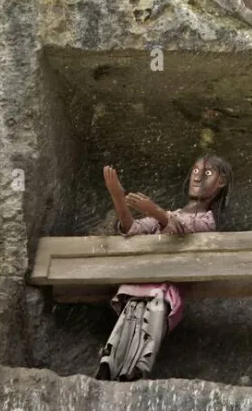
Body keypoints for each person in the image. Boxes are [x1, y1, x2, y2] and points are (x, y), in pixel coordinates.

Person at [95, 155, 231, 381]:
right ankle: (109, 362)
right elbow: (134, 229)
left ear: (221, 181)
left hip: (164, 290)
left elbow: (182, 228)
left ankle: (138, 368)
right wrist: (118, 198)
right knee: (128, 318)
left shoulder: (206, 220)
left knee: (155, 314)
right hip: (137, 285)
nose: (198, 177)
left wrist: (154, 210)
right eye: (196, 171)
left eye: (207, 173)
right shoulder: (167, 216)